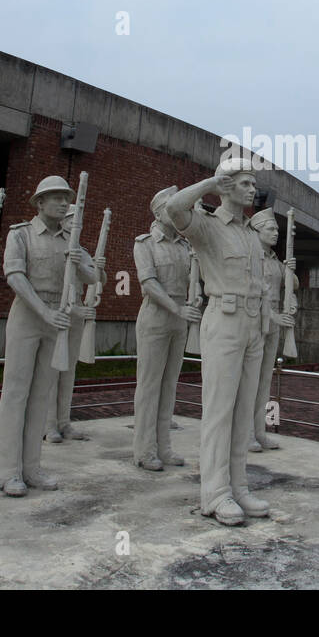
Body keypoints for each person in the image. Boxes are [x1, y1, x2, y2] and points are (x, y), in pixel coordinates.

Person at [165, 159, 268, 526]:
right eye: (244, 183)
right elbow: (174, 208)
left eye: (253, 184)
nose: (252, 189)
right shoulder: (207, 227)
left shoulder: (252, 233)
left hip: (252, 325)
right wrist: (210, 182)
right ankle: (215, 493)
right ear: (226, 186)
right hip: (223, 321)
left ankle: (237, 485)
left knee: (244, 412)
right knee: (219, 411)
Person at [0, 176, 100, 497]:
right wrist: (43, 311)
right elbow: (14, 275)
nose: (62, 202)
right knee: (16, 393)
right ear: (39, 203)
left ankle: (31, 467)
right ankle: (8, 471)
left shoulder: (72, 239)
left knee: (41, 394)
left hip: (58, 318)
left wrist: (81, 260)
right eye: (54, 197)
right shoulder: (22, 235)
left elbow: (94, 276)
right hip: (29, 314)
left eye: (65, 198)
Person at [131, 187, 201, 471]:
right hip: (156, 316)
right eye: (172, 208)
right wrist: (177, 308)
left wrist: (195, 297)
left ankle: (164, 446)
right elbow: (148, 283)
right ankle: (144, 450)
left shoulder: (186, 246)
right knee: (149, 386)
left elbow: (195, 279)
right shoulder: (144, 244)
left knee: (169, 385)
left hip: (179, 318)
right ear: (160, 213)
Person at [247, 209, 295, 453]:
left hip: (274, 323)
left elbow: (292, 286)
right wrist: (275, 316)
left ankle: (259, 432)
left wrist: (290, 269)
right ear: (257, 230)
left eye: (277, 229)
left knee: (265, 381)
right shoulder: (250, 258)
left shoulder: (277, 262)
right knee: (250, 382)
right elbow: (252, 294)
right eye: (271, 229)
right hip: (256, 321)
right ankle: (245, 435)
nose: (276, 233)